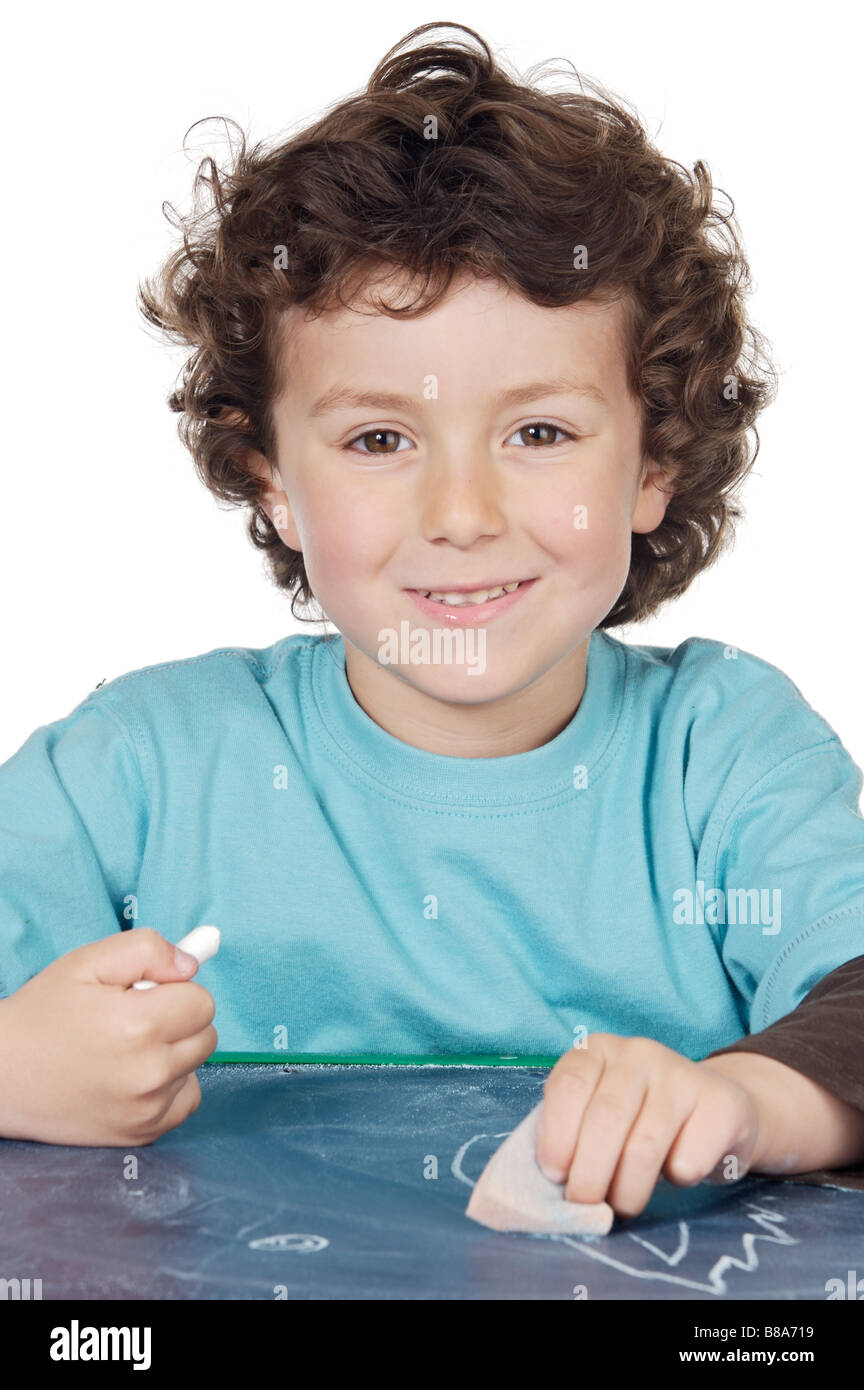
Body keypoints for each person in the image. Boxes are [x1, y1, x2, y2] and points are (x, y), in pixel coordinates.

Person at [1, 22, 862, 1220]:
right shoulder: (138, 767)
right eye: (379, 440)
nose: (461, 513)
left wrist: (749, 1099)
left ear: (655, 460)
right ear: (269, 480)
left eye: (541, 432)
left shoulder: (727, 752)